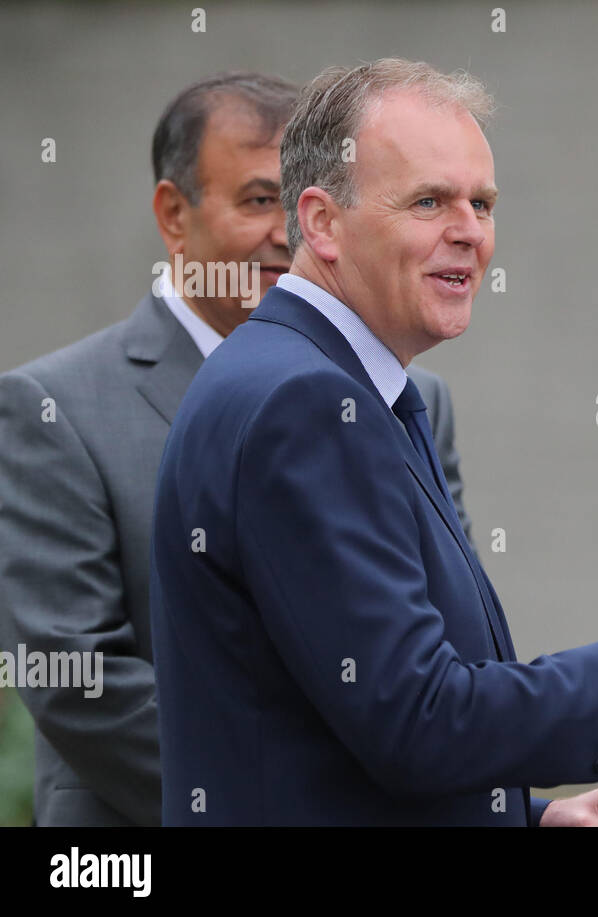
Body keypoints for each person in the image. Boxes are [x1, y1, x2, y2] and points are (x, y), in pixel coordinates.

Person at [149, 58, 598, 826]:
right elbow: (416, 718)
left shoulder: (334, 383)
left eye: (482, 202)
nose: (469, 231)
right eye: (429, 200)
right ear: (321, 222)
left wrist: (527, 817)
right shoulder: (305, 403)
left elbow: (347, 737)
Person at [0, 71, 473, 826]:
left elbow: (444, 647)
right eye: (258, 200)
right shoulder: (54, 409)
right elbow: (77, 677)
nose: (286, 230)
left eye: (296, 202)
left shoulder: (411, 400)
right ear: (173, 216)